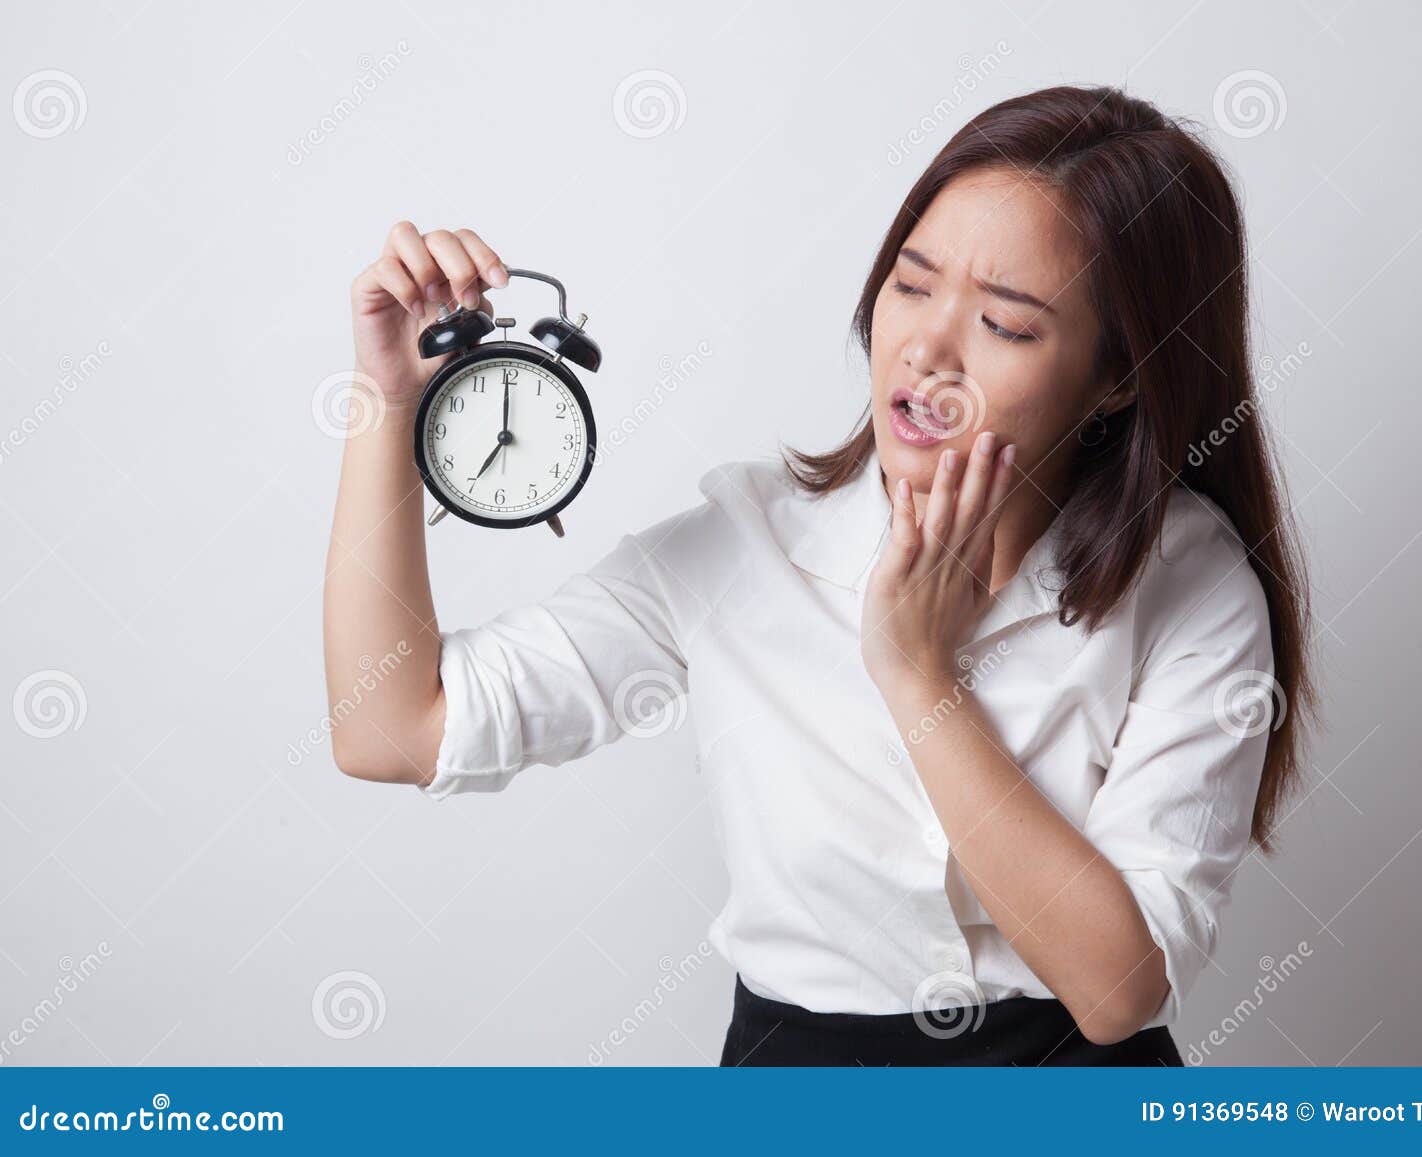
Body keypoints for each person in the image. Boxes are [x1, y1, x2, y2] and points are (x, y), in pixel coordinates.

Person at [322, 84, 1318, 1066]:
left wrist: (917, 673)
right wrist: (389, 401)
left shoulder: (1190, 580)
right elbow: (390, 728)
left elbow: (1116, 992)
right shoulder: (742, 543)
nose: (924, 349)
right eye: (912, 283)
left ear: (1119, 374)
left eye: (1004, 324)